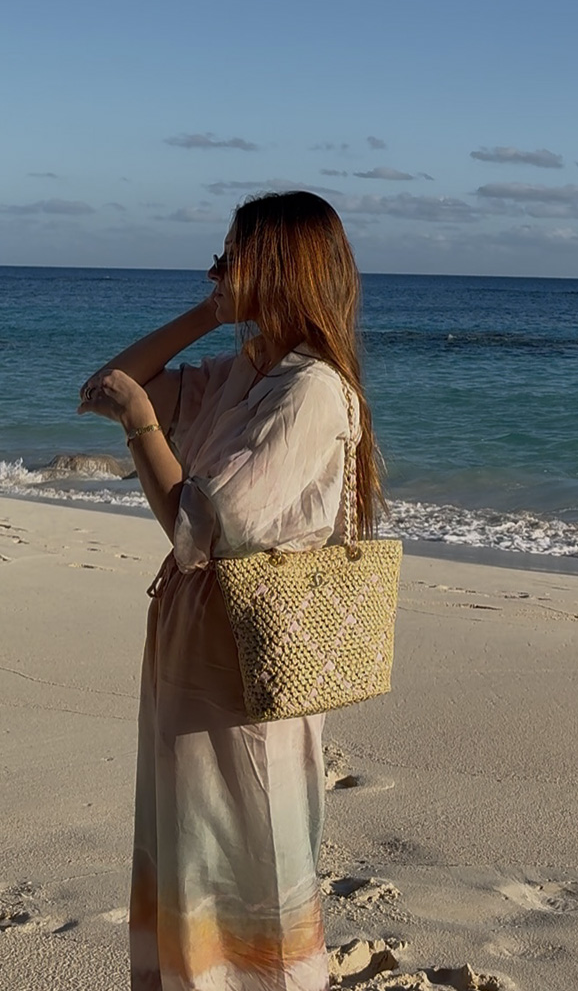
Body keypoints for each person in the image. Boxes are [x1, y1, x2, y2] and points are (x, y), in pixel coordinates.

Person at [77, 191, 384, 991]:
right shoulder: (252, 368)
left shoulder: (310, 391)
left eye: (230, 257)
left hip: (247, 658)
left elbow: (198, 530)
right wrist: (210, 312)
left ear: (278, 268)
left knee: (249, 849)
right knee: (191, 851)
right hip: (195, 644)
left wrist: (142, 423)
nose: (213, 267)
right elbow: (111, 380)